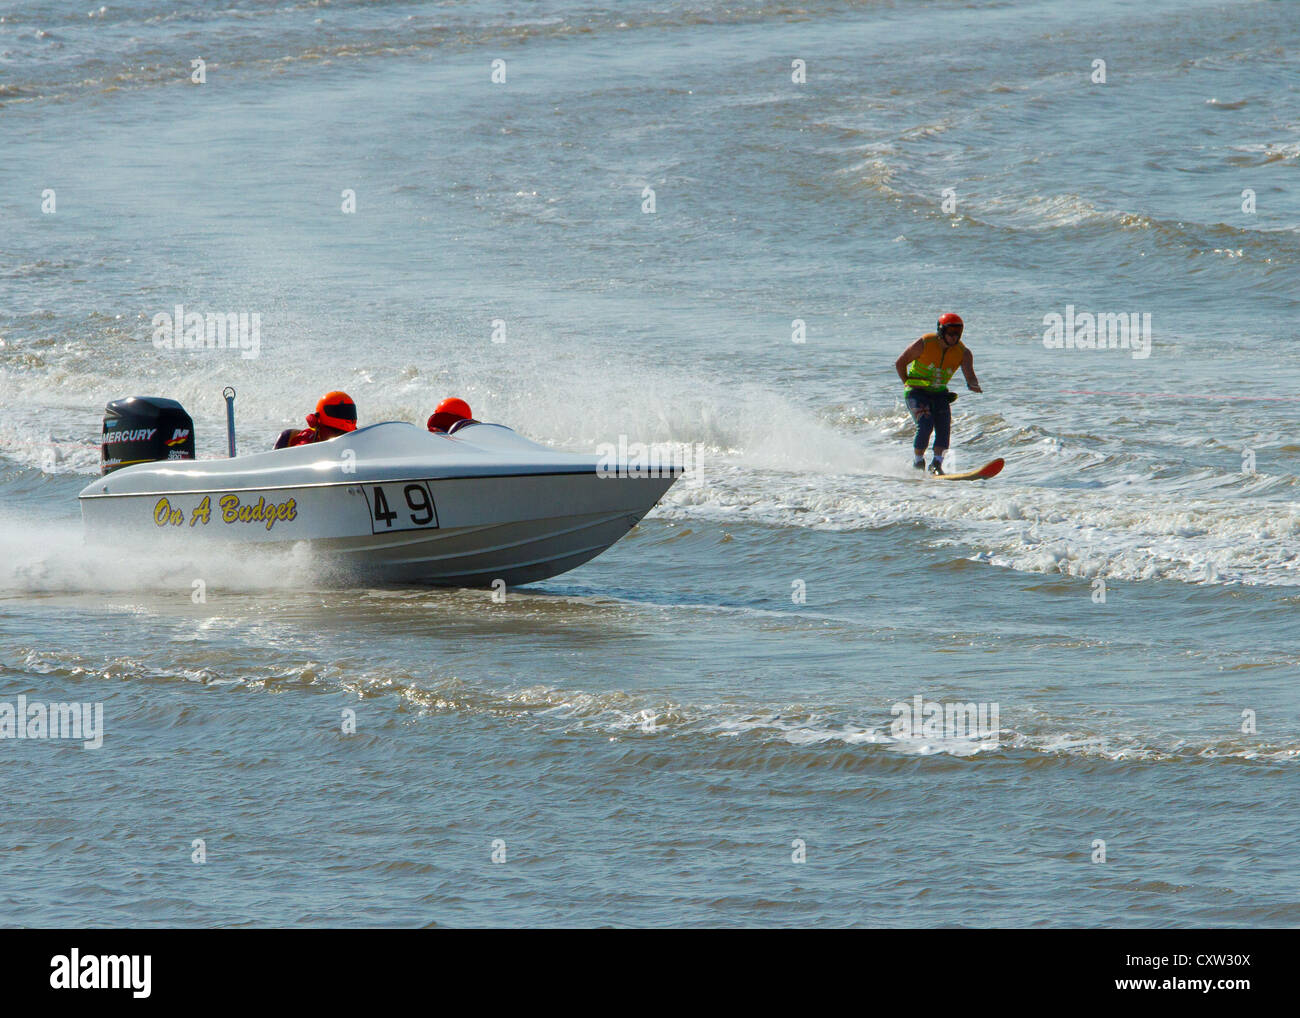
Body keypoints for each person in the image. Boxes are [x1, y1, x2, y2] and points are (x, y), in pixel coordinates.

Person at [894, 313, 982, 475]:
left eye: (958, 332)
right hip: (916, 392)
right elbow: (900, 363)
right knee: (926, 423)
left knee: (943, 427)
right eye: (951, 332)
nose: (954, 336)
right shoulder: (924, 343)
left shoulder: (963, 353)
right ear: (941, 330)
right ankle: (918, 462)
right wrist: (907, 382)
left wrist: (973, 385)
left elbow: (970, 375)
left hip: (939, 393)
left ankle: (937, 464)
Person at [274, 391, 358, 449]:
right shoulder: (305, 443)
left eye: (344, 433)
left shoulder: (358, 436)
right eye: (336, 432)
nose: (341, 437)